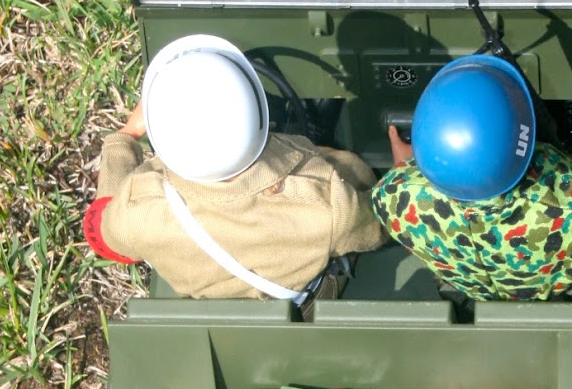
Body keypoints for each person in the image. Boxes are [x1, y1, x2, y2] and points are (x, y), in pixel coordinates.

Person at [83, 34, 384, 303]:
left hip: (217, 306)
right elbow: (378, 227)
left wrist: (125, 137)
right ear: (259, 114)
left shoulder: (138, 211)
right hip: (304, 298)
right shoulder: (324, 201)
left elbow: (102, 236)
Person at [370, 53, 572, 301]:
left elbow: (404, 184)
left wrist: (406, 167)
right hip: (559, 285)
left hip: (475, 287)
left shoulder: (392, 197)